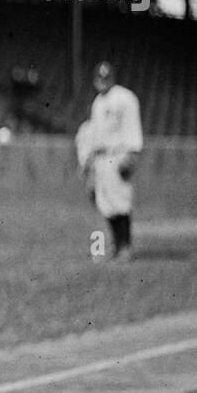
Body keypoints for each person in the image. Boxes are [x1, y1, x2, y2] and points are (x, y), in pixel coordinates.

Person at [82, 62, 143, 261]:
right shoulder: (98, 102)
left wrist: (132, 154)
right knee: (105, 203)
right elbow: (94, 134)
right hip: (101, 157)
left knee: (120, 201)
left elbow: (132, 126)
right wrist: (89, 160)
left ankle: (125, 246)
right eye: (99, 78)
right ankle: (116, 245)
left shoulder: (124, 98)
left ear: (112, 78)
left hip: (117, 154)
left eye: (105, 78)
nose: (102, 82)